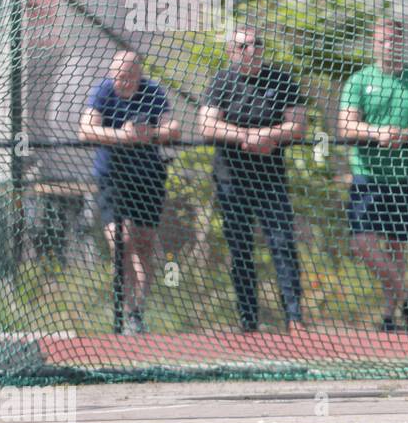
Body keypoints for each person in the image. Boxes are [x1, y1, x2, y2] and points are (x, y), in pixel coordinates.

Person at [198, 26, 306, 333]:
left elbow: (298, 125)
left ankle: (294, 317)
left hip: (271, 179)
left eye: (256, 44)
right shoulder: (222, 81)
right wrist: (245, 136)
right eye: (244, 46)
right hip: (231, 179)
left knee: (282, 243)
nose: (252, 50)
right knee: (240, 247)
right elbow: (207, 125)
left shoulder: (281, 79)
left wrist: (268, 135)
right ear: (232, 51)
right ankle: (248, 319)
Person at [337, 18, 408, 332]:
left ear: (401, 42)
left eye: (393, 40)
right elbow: (346, 126)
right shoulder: (359, 80)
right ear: (374, 43)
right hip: (368, 175)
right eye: (382, 40)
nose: (388, 45)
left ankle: (391, 315)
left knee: (396, 246)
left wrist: (405, 134)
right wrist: (377, 132)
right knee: (362, 243)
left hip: (406, 175)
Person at [78, 51, 182, 333]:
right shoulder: (103, 91)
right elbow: (86, 129)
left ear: (138, 74)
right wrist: (121, 135)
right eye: (118, 75)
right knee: (119, 240)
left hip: (147, 179)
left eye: (128, 75)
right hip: (113, 179)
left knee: (144, 241)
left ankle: (137, 311)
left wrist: (149, 133)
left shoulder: (152, 91)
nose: (122, 81)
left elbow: (173, 127)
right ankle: (122, 308)